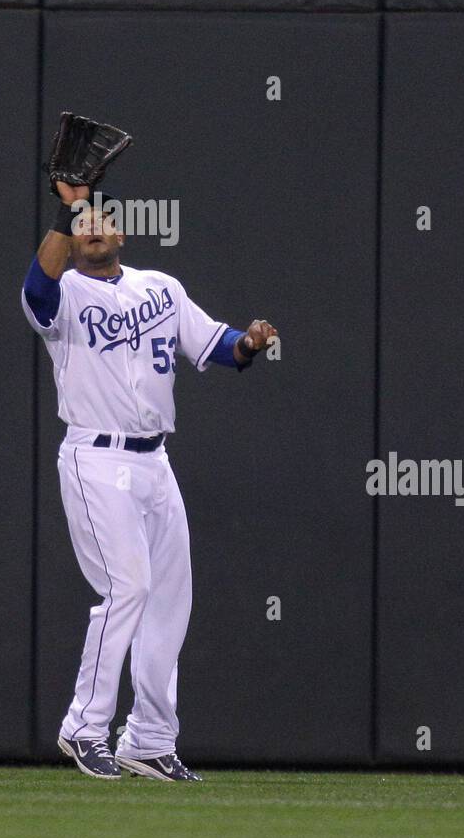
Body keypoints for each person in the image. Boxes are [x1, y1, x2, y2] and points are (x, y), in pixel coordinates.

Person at [21, 183, 278, 782]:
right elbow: (35, 291)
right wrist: (65, 208)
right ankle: (84, 728)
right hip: (95, 456)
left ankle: (150, 739)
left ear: (121, 233)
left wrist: (251, 342)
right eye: (79, 223)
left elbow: (219, 349)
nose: (91, 228)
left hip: (155, 462)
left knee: (169, 599)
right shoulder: (64, 293)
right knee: (128, 587)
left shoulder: (160, 288)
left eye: (99, 219)